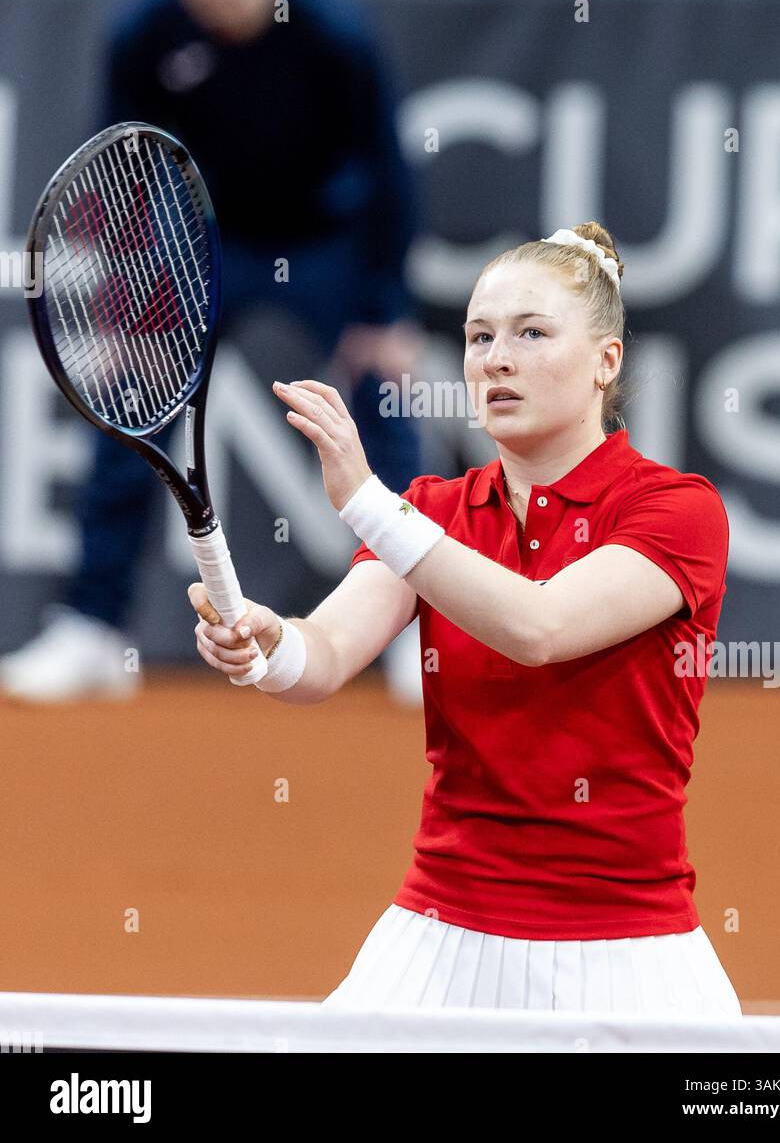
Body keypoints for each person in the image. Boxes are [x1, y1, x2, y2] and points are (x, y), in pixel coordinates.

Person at [188, 221, 742, 1016]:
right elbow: (328, 654)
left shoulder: (677, 511)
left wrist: (364, 503)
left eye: (530, 333)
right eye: (478, 336)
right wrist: (268, 647)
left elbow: (538, 628)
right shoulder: (435, 513)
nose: (496, 359)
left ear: (605, 362)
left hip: (634, 952)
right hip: (436, 939)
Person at [0, 0, 423, 704]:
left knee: (384, 411)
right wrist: (126, 307)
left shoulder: (333, 32)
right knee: (130, 416)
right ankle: (92, 626)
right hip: (199, 248)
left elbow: (388, 173)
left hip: (321, 242)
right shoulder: (145, 34)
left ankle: (413, 633)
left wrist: (383, 310)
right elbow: (122, 171)